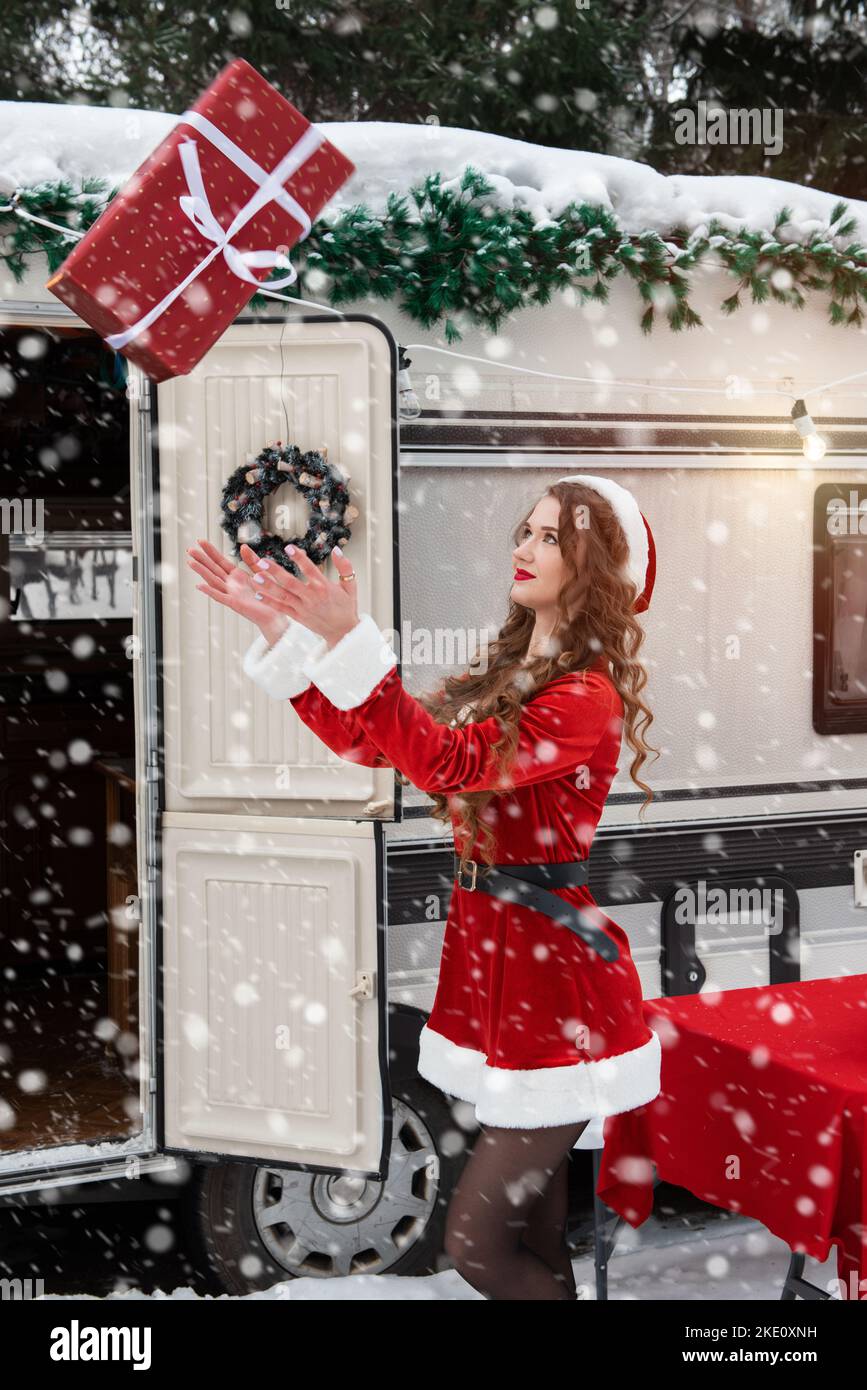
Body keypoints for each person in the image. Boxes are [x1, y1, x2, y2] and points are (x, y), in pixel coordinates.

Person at [186, 474, 661, 1301]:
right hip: (503, 960)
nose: (522, 547)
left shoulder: (582, 697)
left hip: (555, 982)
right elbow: (372, 745)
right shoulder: (512, 671)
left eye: (549, 538)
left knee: (476, 1246)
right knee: (533, 1233)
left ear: (592, 568)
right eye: (526, 530)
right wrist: (291, 640)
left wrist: (352, 639)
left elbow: (449, 763)